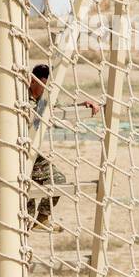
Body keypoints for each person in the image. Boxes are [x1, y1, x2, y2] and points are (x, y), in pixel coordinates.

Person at [27, 64, 99, 232]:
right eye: (43, 86)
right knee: (24, 210)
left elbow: (59, 110)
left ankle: (42, 219)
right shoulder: (23, 98)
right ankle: (32, 223)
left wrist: (83, 105)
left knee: (57, 179)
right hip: (17, 153)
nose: (46, 91)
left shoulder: (46, 97)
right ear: (32, 82)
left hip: (31, 153)